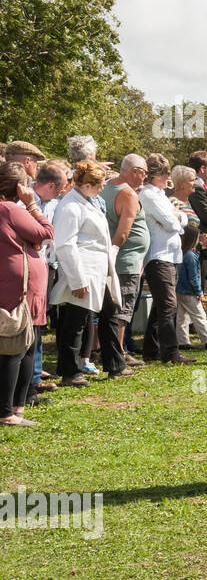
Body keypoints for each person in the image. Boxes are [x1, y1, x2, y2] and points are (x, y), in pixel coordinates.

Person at [50, 161, 125, 385]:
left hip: (98, 270)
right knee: (76, 321)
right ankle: (70, 371)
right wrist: (77, 279)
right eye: (100, 183)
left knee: (109, 312)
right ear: (87, 184)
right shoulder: (70, 206)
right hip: (82, 270)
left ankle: (115, 364)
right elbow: (65, 245)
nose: (103, 187)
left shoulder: (87, 201)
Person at [0, 162, 53, 426]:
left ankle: (16, 408)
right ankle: (9, 411)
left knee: (22, 344)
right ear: (19, 187)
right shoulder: (9, 209)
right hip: (18, 286)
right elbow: (46, 232)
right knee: (17, 345)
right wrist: (31, 205)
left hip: (18, 284)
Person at [139, 154, 191, 364]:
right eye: (166, 173)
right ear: (155, 174)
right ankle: (170, 351)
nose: (168, 177)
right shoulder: (148, 194)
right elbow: (170, 222)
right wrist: (176, 218)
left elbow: (183, 217)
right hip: (158, 255)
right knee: (168, 304)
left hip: (172, 254)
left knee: (161, 304)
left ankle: (151, 348)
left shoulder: (160, 194)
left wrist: (177, 217)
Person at [102, 155, 148, 371]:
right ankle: (118, 354)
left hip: (118, 259)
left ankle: (112, 351)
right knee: (122, 309)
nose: (145, 176)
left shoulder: (106, 187)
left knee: (114, 309)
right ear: (134, 171)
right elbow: (122, 234)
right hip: (125, 261)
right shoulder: (127, 193)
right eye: (144, 172)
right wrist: (112, 257)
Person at [176, 225, 207, 351]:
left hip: (179, 290)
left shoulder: (181, 253)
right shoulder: (191, 256)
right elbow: (194, 276)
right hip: (189, 292)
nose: (198, 240)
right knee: (199, 316)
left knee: (182, 317)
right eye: (197, 238)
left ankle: (182, 342)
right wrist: (199, 291)